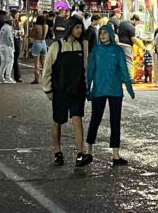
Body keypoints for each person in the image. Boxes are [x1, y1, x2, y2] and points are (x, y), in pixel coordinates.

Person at [43, 17, 92, 167]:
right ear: (70, 28)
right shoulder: (56, 46)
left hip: (77, 90)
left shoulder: (81, 46)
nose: (80, 30)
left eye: (81, 28)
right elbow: (47, 69)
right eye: (77, 27)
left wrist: (87, 87)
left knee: (77, 119)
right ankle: (57, 152)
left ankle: (80, 154)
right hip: (60, 91)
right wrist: (48, 89)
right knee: (58, 121)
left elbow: (85, 68)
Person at [86, 24, 135, 165]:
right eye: (100, 33)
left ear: (111, 35)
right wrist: (88, 88)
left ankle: (115, 155)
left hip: (115, 90)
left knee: (115, 121)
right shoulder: (96, 50)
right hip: (99, 89)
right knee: (95, 119)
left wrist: (129, 86)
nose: (102, 35)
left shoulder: (117, 50)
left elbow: (124, 69)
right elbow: (90, 70)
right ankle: (88, 151)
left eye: (105, 33)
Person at [29, 14, 49, 84]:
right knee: (44, 63)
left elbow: (31, 35)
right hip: (44, 44)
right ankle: (46, 79)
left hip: (37, 43)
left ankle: (36, 79)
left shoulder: (36, 26)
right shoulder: (46, 26)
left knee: (36, 63)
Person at [0, 12, 15, 84]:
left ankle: (0, 77)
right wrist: (12, 47)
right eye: (11, 21)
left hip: (1, 46)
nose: (12, 22)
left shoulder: (3, 27)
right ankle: (8, 77)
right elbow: (10, 38)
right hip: (7, 46)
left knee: (3, 62)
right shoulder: (8, 28)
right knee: (10, 61)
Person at [10, 9, 23, 83]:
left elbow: (22, 32)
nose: (18, 16)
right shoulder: (11, 22)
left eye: (18, 14)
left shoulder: (19, 22)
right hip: (11, 41)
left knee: (16, 59)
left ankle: (17, 76)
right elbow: (11, 32)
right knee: (9, 60)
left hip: (17, 41)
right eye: (16, 14)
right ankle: (6, 75)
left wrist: (19, 32)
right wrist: (18, 32)